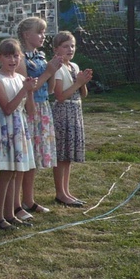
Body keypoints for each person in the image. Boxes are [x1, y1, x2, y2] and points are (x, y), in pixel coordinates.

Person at [0, 38, 37, 230]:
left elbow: (30, 111)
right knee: (6, 173)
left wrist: (30, 92)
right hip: (4, 127)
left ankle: (9, 214)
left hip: (19, 126)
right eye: (8, 56)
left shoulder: (19, 78)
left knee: (16, 172)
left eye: (16, 55)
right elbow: (7, 108)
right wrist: (24, 89)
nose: (12, 60)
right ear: (0, 57)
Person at [16, 17, 62, 218]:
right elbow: (29, 86)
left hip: (43, 106)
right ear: (27, 35)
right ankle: (16, 202)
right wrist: (49, 71)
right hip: (28, 107)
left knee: (34, 155)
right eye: (40, 32)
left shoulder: (41, 56)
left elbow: (49, 89)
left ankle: (29, 199)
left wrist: (53, 71)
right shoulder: (20, 58)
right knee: (25, 155)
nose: (43, 36)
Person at [51, 31, 92, 207]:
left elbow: (82, 93)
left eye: (72, 46)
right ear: (56, 49)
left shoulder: (74, 66)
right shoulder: (58, 68)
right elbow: (59, 96)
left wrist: (83, 81)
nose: (70, 49)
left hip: (75, 110)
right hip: (62, 112)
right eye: (66, 46)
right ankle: (60, 192)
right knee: (61, 154)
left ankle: (66, 190)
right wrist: (77, 83)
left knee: (68, 155)